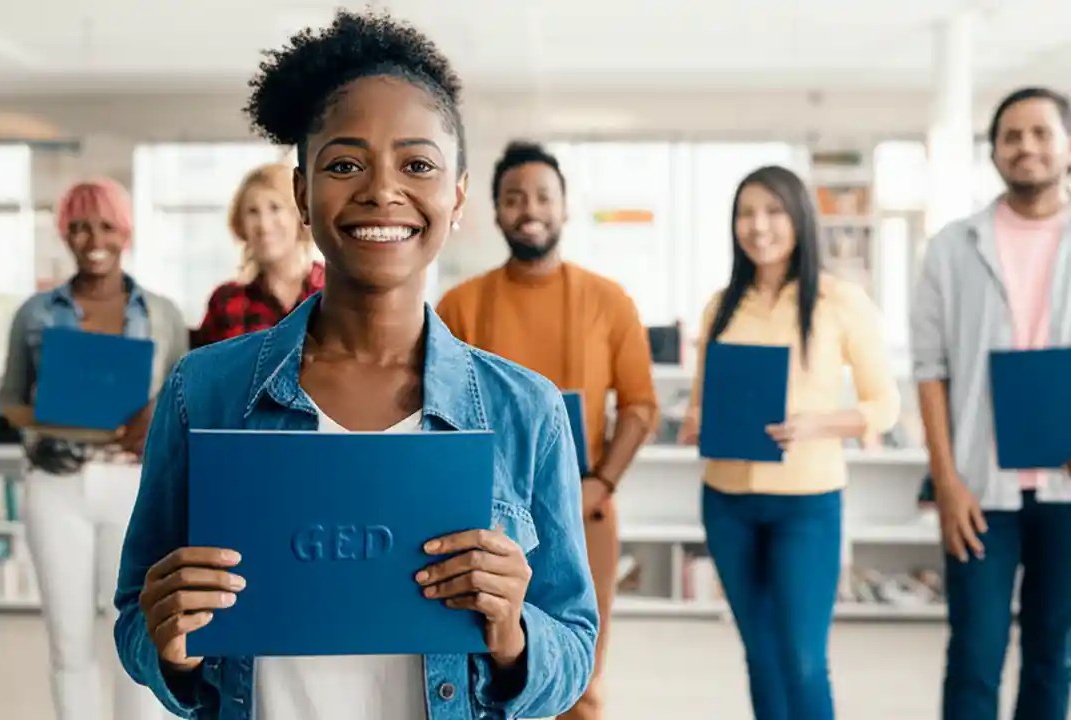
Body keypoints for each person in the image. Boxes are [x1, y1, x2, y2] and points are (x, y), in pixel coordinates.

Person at [113, 9, 598, 720]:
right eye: (344, 164)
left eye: (418, 164)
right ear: (303, 192)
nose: (381, 190)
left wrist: (514, 634)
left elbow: (576, 646)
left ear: (457, 196)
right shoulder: (204, 391)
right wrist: (170, 648)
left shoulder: (527, 408)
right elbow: (135, 617)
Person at [435, 140, 658, 720]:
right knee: (485, 669)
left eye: (541, 197)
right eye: (513, 198)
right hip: (480, 517)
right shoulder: (461, 304)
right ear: (495, 210)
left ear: (564, 207)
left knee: (578, 677)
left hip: (585, 507)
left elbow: (639, 407)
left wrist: (602, 482)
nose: (528, 209)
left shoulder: (610, 301)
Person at [679, 165, 899, 720]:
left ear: (800, 217)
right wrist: (695, 420)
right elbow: (703, 402)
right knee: (759, 654)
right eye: (746, 213)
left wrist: (815, 423)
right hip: (727, 501)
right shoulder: (719, 306)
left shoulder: (839, 301)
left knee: (802, 658)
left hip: (806, 505)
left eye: (773, 211)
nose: (758, 226)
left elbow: (884, 405)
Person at [0, 178, 187, 720]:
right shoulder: (35, 313)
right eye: (79, 226)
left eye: (105, 225)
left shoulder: (161, 312)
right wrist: (58, 416)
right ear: (65, 234)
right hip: (57, 485)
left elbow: (183, 392)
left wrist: (154, 413)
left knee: (137, 628)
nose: (92, 238)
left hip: (135, 485)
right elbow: (10, 399)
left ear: (125, 232)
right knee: (68, 638)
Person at [911, 86, 1071, 720]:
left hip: (1066, 491)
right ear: (995, 152)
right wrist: (946, 482)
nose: (1025, 147)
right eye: (1011, 136)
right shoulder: (953, 247)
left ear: (1067, 147)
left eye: (1040, 133)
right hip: (980, 489)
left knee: (1052, 658)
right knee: (974, 658)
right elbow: (930, 371)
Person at [191, 163, 325, 347]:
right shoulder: (226, 302)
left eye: (275, 208)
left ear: (299, 214)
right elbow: (203, 373)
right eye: (252, 211)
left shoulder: (334, 291)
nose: (264, 225)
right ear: (241, 223)